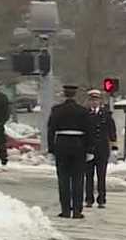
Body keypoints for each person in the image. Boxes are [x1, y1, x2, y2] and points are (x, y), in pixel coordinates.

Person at [47, 84, 94, 219]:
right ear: (75, 95)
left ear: (64, 94)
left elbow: (51, 130)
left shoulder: (57, 110)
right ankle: (77, 211)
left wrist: (51, 149)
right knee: (78, 179)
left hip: (61, 144)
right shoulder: (83, 111)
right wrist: (90, 149)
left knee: (63, 179)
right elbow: (89, 131)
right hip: (79, 145)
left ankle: (66, 210)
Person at [84, 89, 118, 209]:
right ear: (89, 101)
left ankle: (102, 199)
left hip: (102, 149)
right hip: (89, 149)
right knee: (88, 176)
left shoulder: (106, 114)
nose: (94, 102)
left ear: (100, 101)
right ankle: (89, 199)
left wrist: (114, 146)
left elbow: (112, 130)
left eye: (96, 100)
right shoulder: (85, 114)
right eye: (92, 100)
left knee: (101, 175)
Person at [0, 82, 9, 167]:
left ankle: (4, 160)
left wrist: (1, 122)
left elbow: (6, 111)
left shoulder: (2, 98)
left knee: (1, 143)